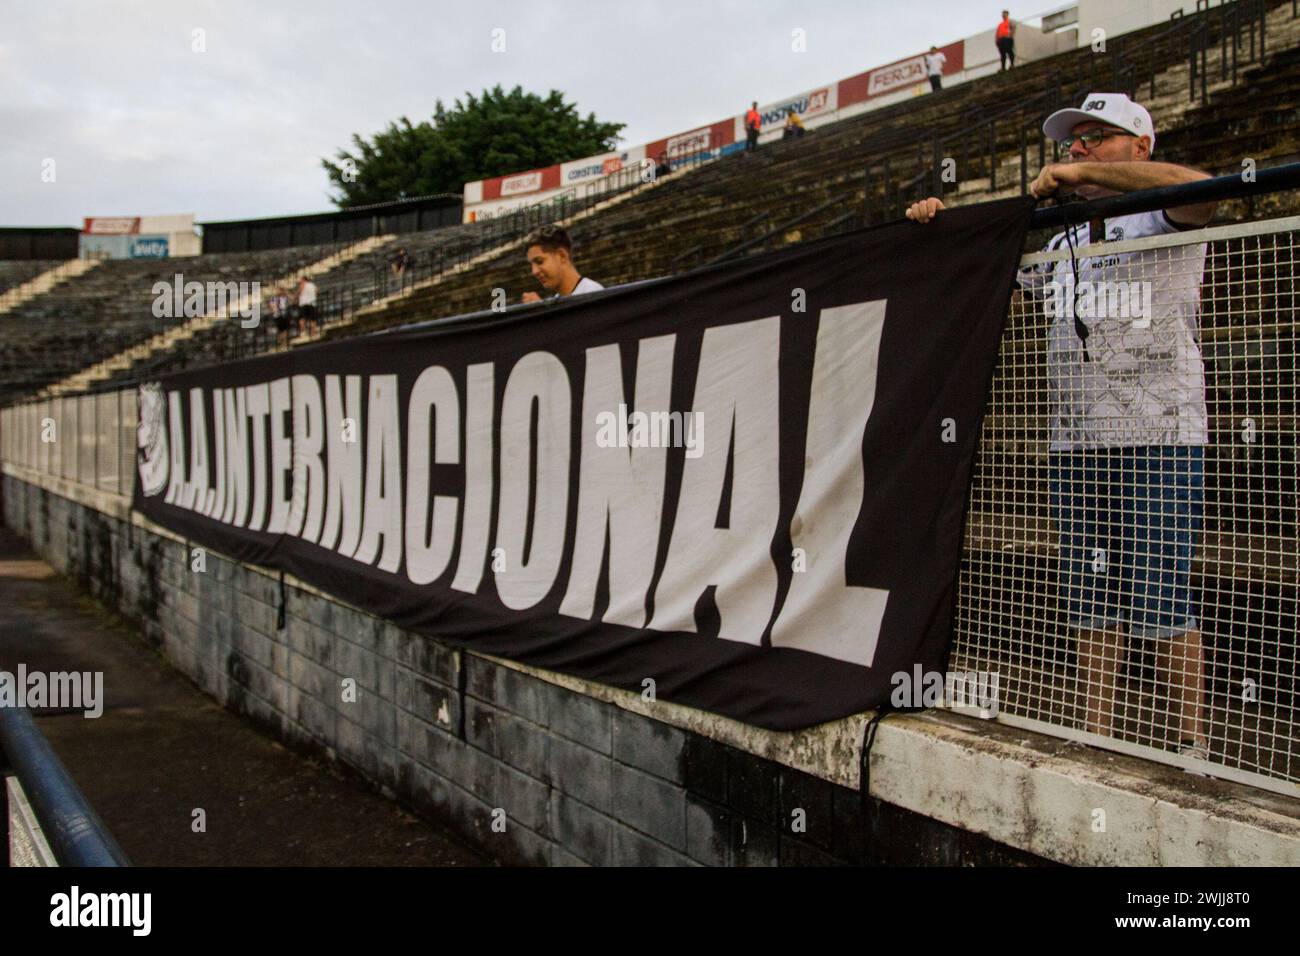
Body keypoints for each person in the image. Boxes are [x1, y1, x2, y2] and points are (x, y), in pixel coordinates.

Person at [905, 93, 1217, 766]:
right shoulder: (1062, 240)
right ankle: (1096, 734)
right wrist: (938, 227)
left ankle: (1192, 746)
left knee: (1162, 590)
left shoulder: (1162, 214)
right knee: (1088, 590)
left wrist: (1080, 182)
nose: (1077, 149)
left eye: (1096, 138)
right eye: (1074, 142)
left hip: (1161, 437)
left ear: (1140, 148)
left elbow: (1201, 188)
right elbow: (986, 283)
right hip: (1077, 442)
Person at [520, 224, 604, 303]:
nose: (534, 271)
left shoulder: (593, 294)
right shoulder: (557, 300)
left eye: (539, 261)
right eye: (531, 264)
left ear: (562, 256)